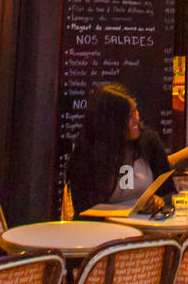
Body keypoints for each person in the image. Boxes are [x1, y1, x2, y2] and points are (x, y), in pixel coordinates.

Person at [67, 83, 174, 216]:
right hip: (105, 231)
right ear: (111, 123)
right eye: (130, 117)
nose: (137, 119)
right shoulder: (87, 156)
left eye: (136, 111)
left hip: (146, 229)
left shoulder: (149, 142)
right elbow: (83, 211)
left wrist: (160, 201)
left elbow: (170, 192)